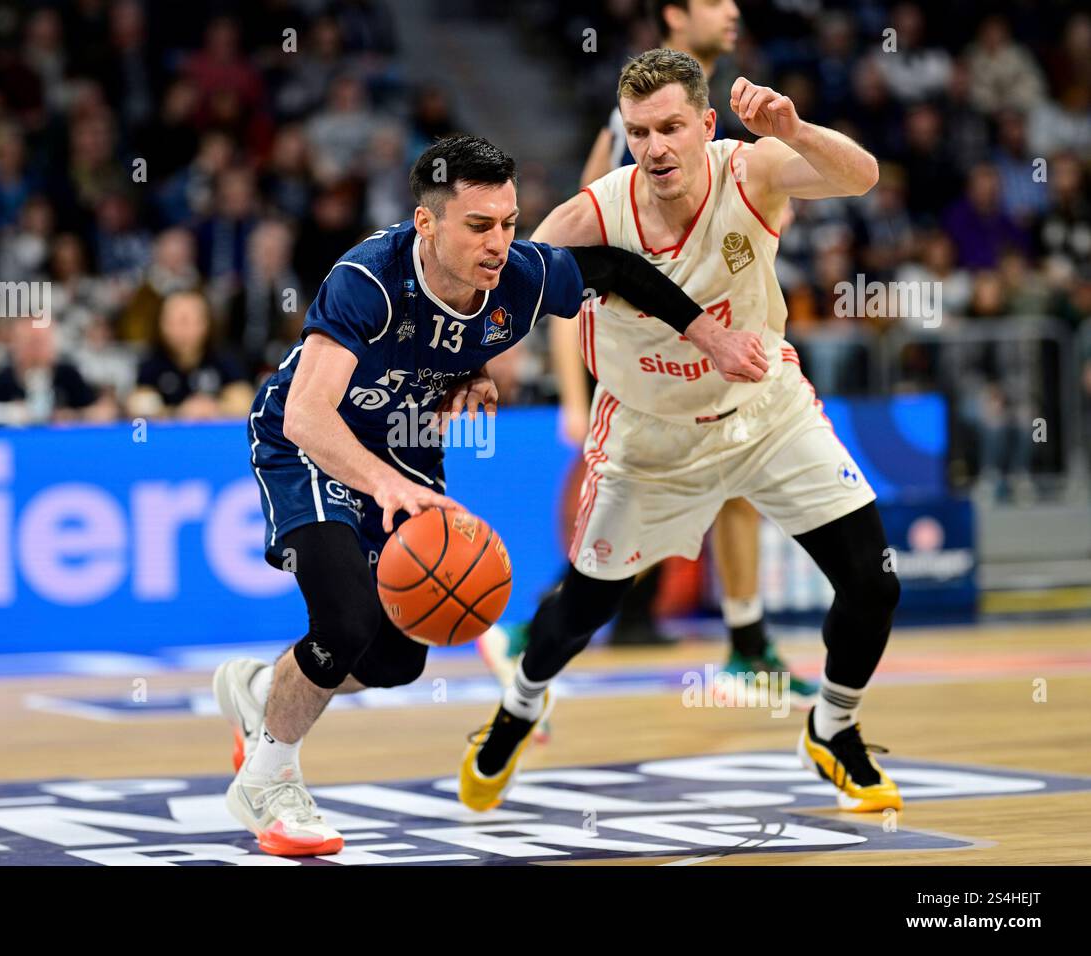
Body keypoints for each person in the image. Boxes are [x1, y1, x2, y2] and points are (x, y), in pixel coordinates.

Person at [213, 133, 758, 856]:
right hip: (310, 443)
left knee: (397, 659)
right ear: (426, 223)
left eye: (508, 223)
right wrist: (386, 484)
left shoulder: (519, 277)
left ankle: (262, 691)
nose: (499, 243)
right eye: (478, 226)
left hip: (406, 441)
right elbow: (307, 415)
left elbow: (617, 268)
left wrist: (711, 337)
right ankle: (269, 780)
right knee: (343, 621)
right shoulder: (368, 279)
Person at [459, 50, 901, 816]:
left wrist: (795, 128)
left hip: (765, 413)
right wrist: (472, 361)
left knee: (875, 582)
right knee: (581, 611)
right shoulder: (596, 213)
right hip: (649, 437)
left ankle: (832, 727)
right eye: (638, 133)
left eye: (670, 128)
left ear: (705, 123)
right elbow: (509, 287)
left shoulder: (752, 170)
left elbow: (861, 176)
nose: (654, 147)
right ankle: (521, 706)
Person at [491, 0, 811, 713]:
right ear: (674, 14)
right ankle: (528, 635)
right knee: (632, 535)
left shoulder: (711, 98)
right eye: (713, 2)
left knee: (734, 485)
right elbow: (577, 260)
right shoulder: (635, 120)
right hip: (644, 353)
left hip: (704, 344)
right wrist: (574, 391)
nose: (732, 10)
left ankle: (747, 644)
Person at [129, 290, 252, 420]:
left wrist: (215, 409)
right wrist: (179, 412)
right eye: (173, 321)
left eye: (188, 321)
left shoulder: (225, 359)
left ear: (206, 323)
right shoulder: (151, 364)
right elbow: (138, 406)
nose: (182, 330)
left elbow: (246, 402)